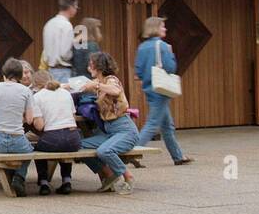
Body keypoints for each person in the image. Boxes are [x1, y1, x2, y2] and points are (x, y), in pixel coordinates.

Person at [78, 51, 139, 195]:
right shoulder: (98, 83)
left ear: (98, 66)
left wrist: (96, 86)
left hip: (125, 130)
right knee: (78, 146)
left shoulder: (111, 79)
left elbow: (115, 90)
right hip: (109, 131)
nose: (88, 68)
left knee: (105, 151)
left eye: (90, 65)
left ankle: (127, 176)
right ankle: (109, 174)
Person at [135, 15, 192, 165]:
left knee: (167, 125)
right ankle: (132, 152)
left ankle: (178, 156)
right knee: (153, 123)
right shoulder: (163, 46)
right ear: (155, 28)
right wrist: (171, 54)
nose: (165, 28)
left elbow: (139, 70)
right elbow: (171, 67)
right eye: (162, 26)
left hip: (149, 88)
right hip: (161, 89)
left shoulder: (142, 47)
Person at [0, 58, 36, 197]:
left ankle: (10, 178)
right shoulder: (25, 91)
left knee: (2, 150)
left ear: (4, 74)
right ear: (19, 76)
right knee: (29, 151)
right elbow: (30, 120)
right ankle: (19, 177)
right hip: (18, 141)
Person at [29, 69, 81, 195]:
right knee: (65, 149)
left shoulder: (37, 97)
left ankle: (44, 182)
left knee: (37, 149)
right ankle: (66, 180)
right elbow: (73, 118)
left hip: (52, 139)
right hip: (73, 139)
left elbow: (40, 126)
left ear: (35, 85)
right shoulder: (66, 93)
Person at [42, 0, 79, 84]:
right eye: (76, 7)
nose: (76, 10)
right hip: (63, 71)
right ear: (70, 7)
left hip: (50, 70)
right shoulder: (67, 25)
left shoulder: (49, 23)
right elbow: (65, 53)